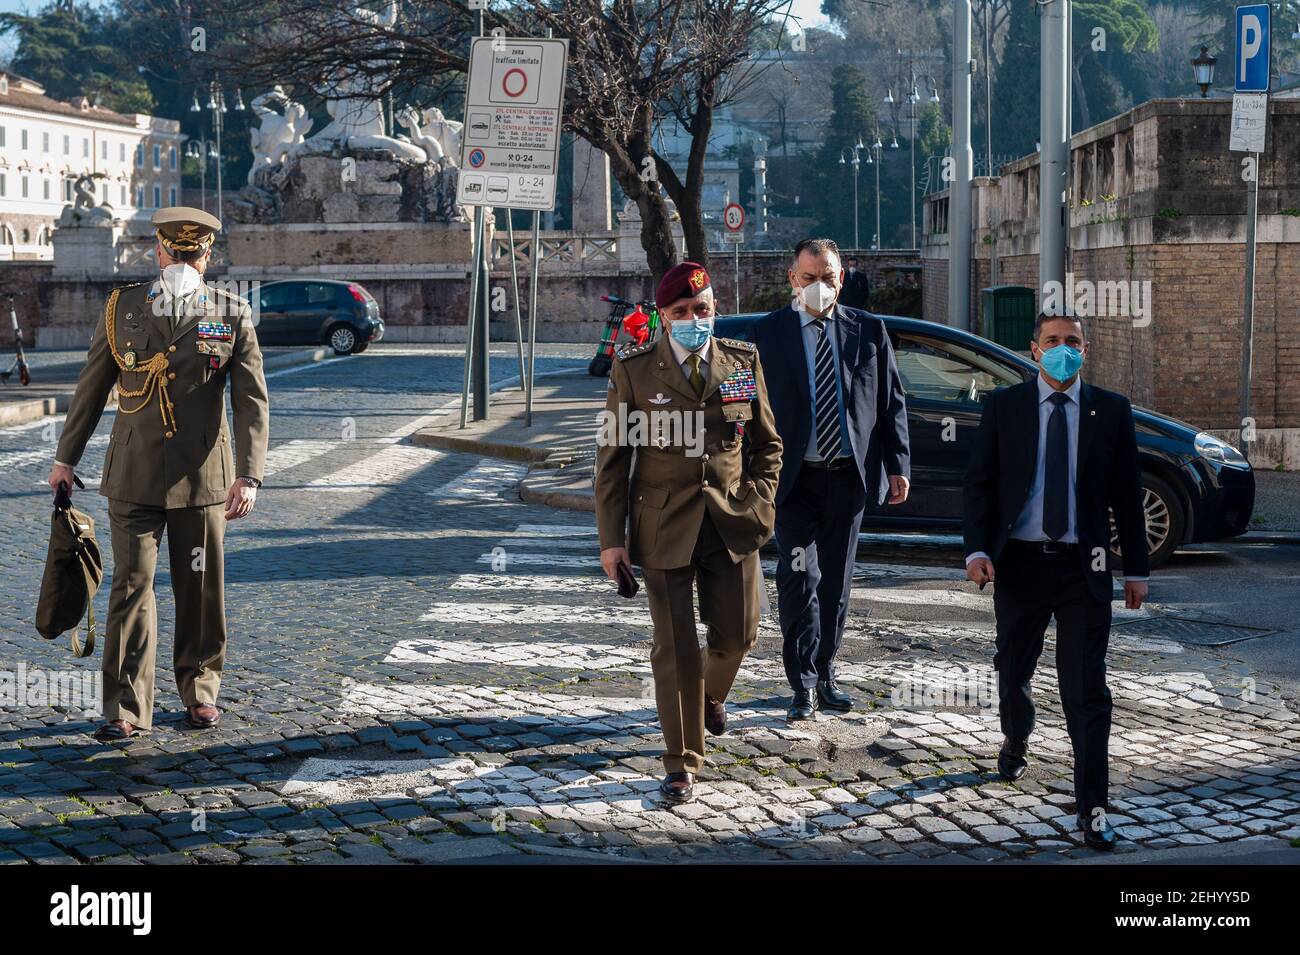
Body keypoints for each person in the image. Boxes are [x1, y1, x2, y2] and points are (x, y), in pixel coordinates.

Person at [47, 207, 270, 741]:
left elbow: (251, 403)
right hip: (133, 474)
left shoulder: (231, 314)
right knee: (130, 585)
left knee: (198, 588)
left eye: (191, 254)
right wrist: (65, 458)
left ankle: (200, 690)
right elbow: (91, 388)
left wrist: (249, 475)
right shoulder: (122, 308)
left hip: (202, 479)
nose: (186, 260)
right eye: (182, 253)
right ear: (161, 253)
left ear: (202, 256)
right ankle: (125, 707)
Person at [595, 262, 782, 803]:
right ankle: (681, 761)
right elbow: (611, 460)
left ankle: (706, 697)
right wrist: (612, 539)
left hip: (732, 521)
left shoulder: (740, 363)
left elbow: (766, 444)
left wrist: (762, 500)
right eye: (681, 313)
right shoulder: (634, 369)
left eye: (702, 310)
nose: (693, 320)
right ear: (663, 317)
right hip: (662, 526)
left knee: (739, 635)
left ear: (714, 309)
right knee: (675, 650)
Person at [963, 311, 1149, 851]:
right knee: (1013, 666)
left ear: (1085, 349)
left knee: (1087, 689)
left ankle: (1093, 808)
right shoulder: (1005, 407)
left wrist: (1135, 568)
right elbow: (979, 485)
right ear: (1034, 350)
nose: (1062, 348)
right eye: (1052, 341)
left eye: (1072, 341)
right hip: (1018, 564)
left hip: (1083, 569)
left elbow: (1127, 495)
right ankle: (1016, 737)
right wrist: (977, 550)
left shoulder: (1110, 411)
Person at [751, 238, 910, 722]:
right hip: (793, 481)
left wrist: (897, 465)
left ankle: (826, 672)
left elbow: (890, 401)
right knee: (798, 578)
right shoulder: (767, 335)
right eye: (809, 278)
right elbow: (745, 412)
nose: (819, 287)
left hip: (848, 477)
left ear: (841, 278)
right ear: (792, 280)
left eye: (828, 278)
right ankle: (799, 682)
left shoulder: (867, 330)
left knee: (836, 584)